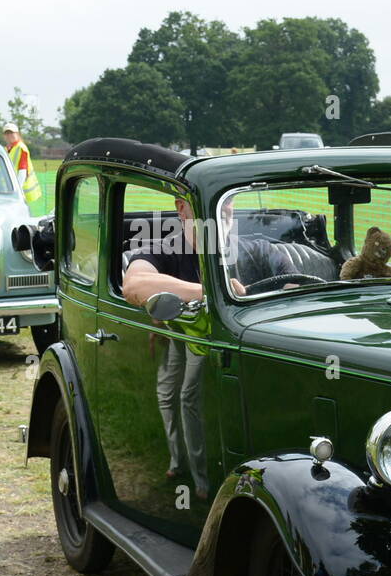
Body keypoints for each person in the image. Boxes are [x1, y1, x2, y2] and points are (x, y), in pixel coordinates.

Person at [121, 197, 299, 501]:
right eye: (206, 201)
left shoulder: (255, 249)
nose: (222, 210)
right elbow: (134, 284)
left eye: (226, 201)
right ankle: (188, 469)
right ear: (181, 209)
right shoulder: (166, 248)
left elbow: (294, 288)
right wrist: (212, 293)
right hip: (184, 340)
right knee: (178, 396)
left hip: (247, 360)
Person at [3, 123, 42, 205]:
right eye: (7, 133)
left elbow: (22, 173)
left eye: (11, 133)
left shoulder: (21, 148)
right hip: (14, 191)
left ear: (17, 134)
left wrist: (16, 192)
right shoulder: (6, 149)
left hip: (24, 193)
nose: (9, 135)